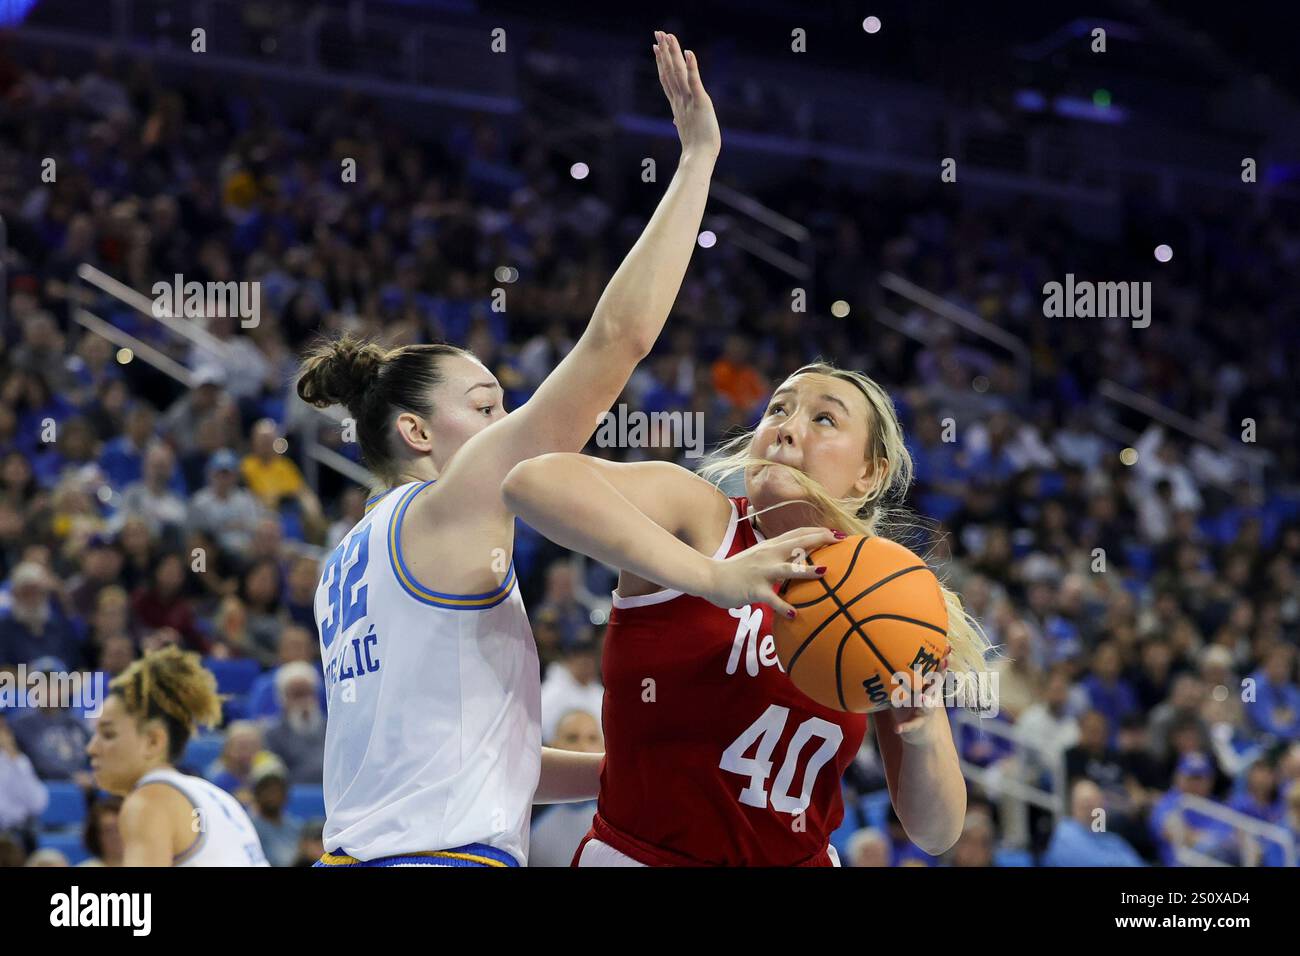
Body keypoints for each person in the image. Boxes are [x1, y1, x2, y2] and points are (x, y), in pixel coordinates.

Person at [297, 31, 721, 868]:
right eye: (488, 406)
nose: (510, 421)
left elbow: (483, 767)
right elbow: (619, 341)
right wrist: (698, 157)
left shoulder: (345, 561)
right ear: (418, 433)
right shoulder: (451, 505)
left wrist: (633, 772)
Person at [504, 361, 987, 865]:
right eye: (778, 409)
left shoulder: (882, 598)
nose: (786, 428)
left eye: (824, 419)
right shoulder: (701, 517)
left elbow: (937, 833)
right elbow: (531, 482)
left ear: (870, 472)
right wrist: (710, 576)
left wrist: (926, 728)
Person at [85, 648, 268, 865]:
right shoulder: (217, 797)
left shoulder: (148, 801)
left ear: (153, 741)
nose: (92, 748)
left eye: (108, 734)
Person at [528, 710, 604, 867]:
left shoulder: (619, 814)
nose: (583, 747)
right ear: (554, 747)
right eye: (572, 738)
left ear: (604, 746)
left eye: (592, 739)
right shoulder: (529, 811)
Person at [1041, 779, 1146, 866]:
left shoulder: (1111, 840)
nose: (1091, 806)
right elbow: (1087, 863)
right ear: (1074, 806)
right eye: (1086, 802)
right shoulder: (1066, 833)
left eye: (1096, 800)